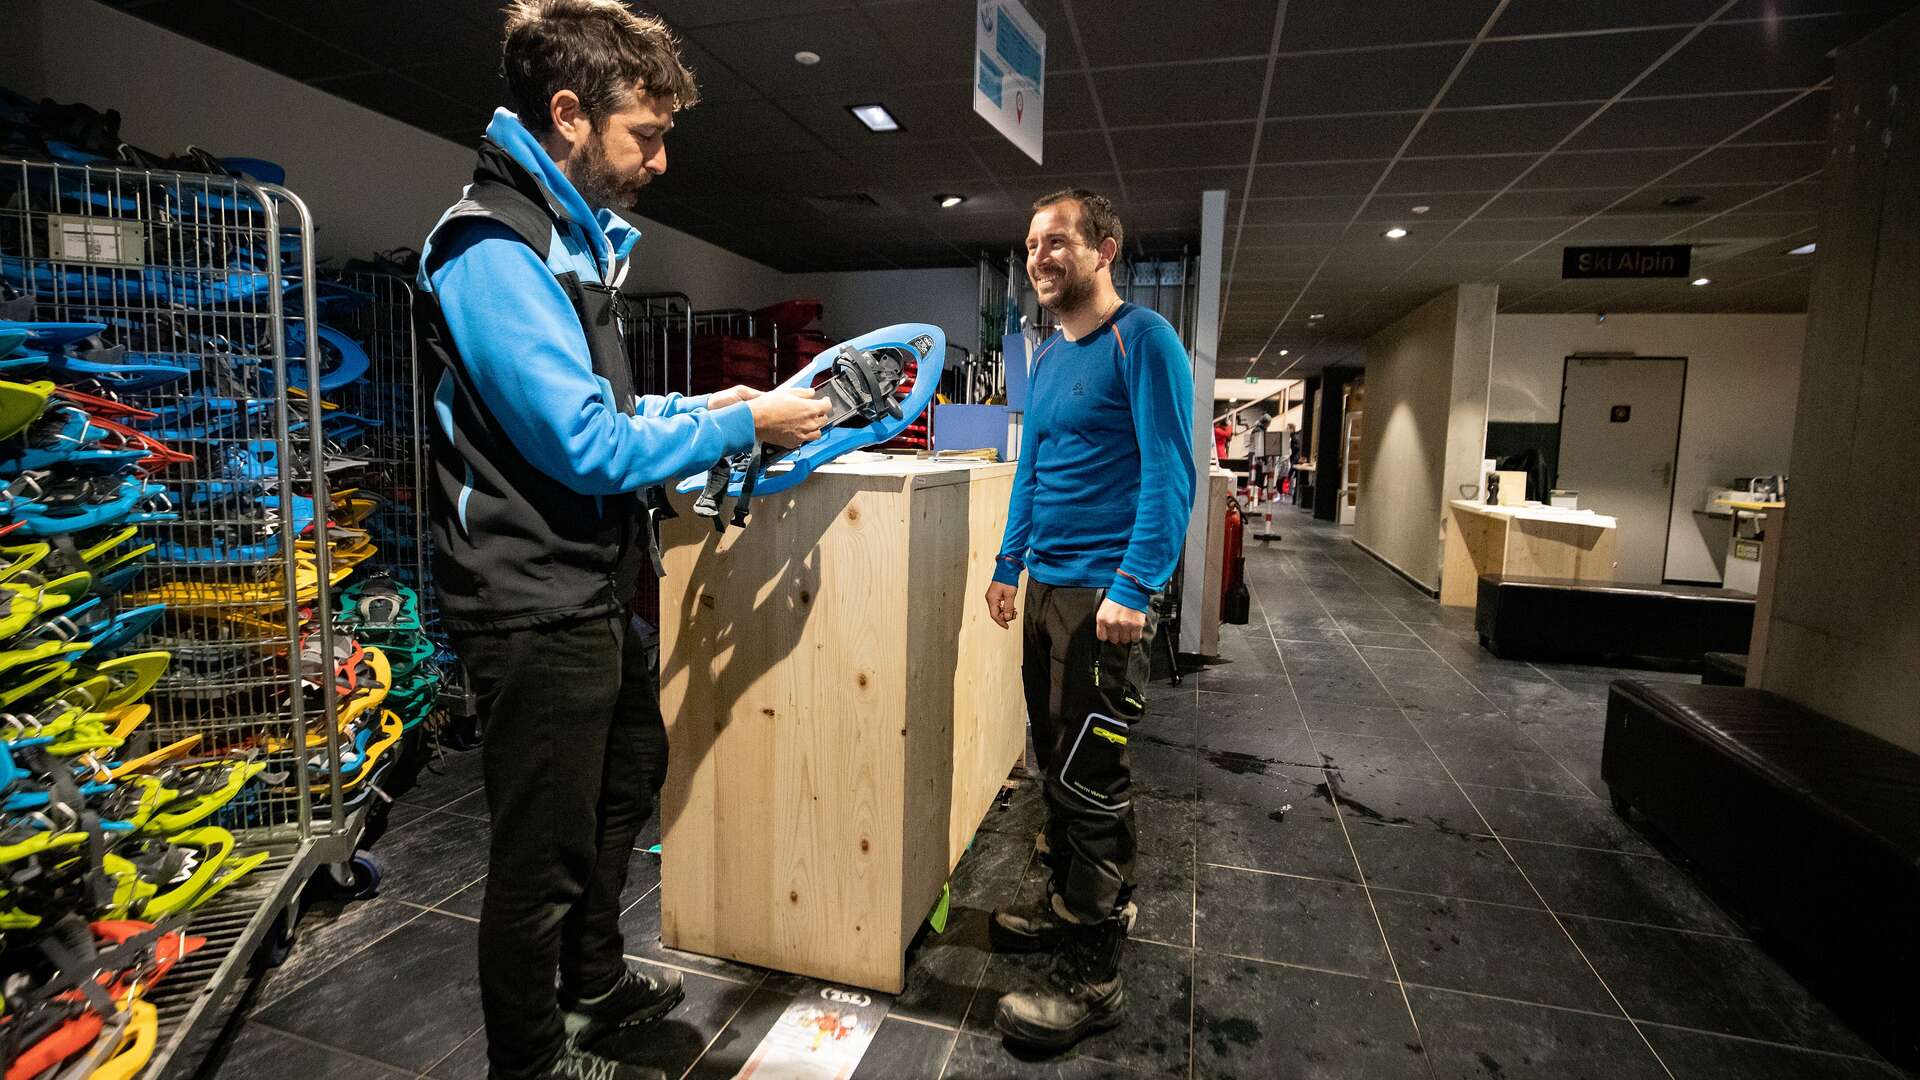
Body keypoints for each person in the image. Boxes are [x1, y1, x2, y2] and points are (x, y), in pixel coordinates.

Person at [414, 4, 830, 1078]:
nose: (657, 159)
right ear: (568, 115)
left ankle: (593, 984)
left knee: (623, 782)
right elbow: (585, 444)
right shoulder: (488, 249)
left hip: (592, 584)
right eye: (644, 134)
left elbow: (614, 418)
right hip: (528, 598)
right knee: (541, 857)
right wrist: (743, 418)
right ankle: (532, 1061)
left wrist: (731, 419)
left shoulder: (564, 246)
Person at [982, 189, 1197, 1052]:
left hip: (1105, 603)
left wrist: (1136, 586)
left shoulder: (1140, 339)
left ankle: (1096, 978)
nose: (1039, 256)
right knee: (1057, 769)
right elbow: (1032, 468)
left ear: (1105, 249)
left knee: (1092, 776)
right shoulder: (1050, 354)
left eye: (1057, 240)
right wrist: (1008, 566)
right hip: (1047, 596)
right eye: (1032, 244)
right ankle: (1075, 904)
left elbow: (1173, 470)